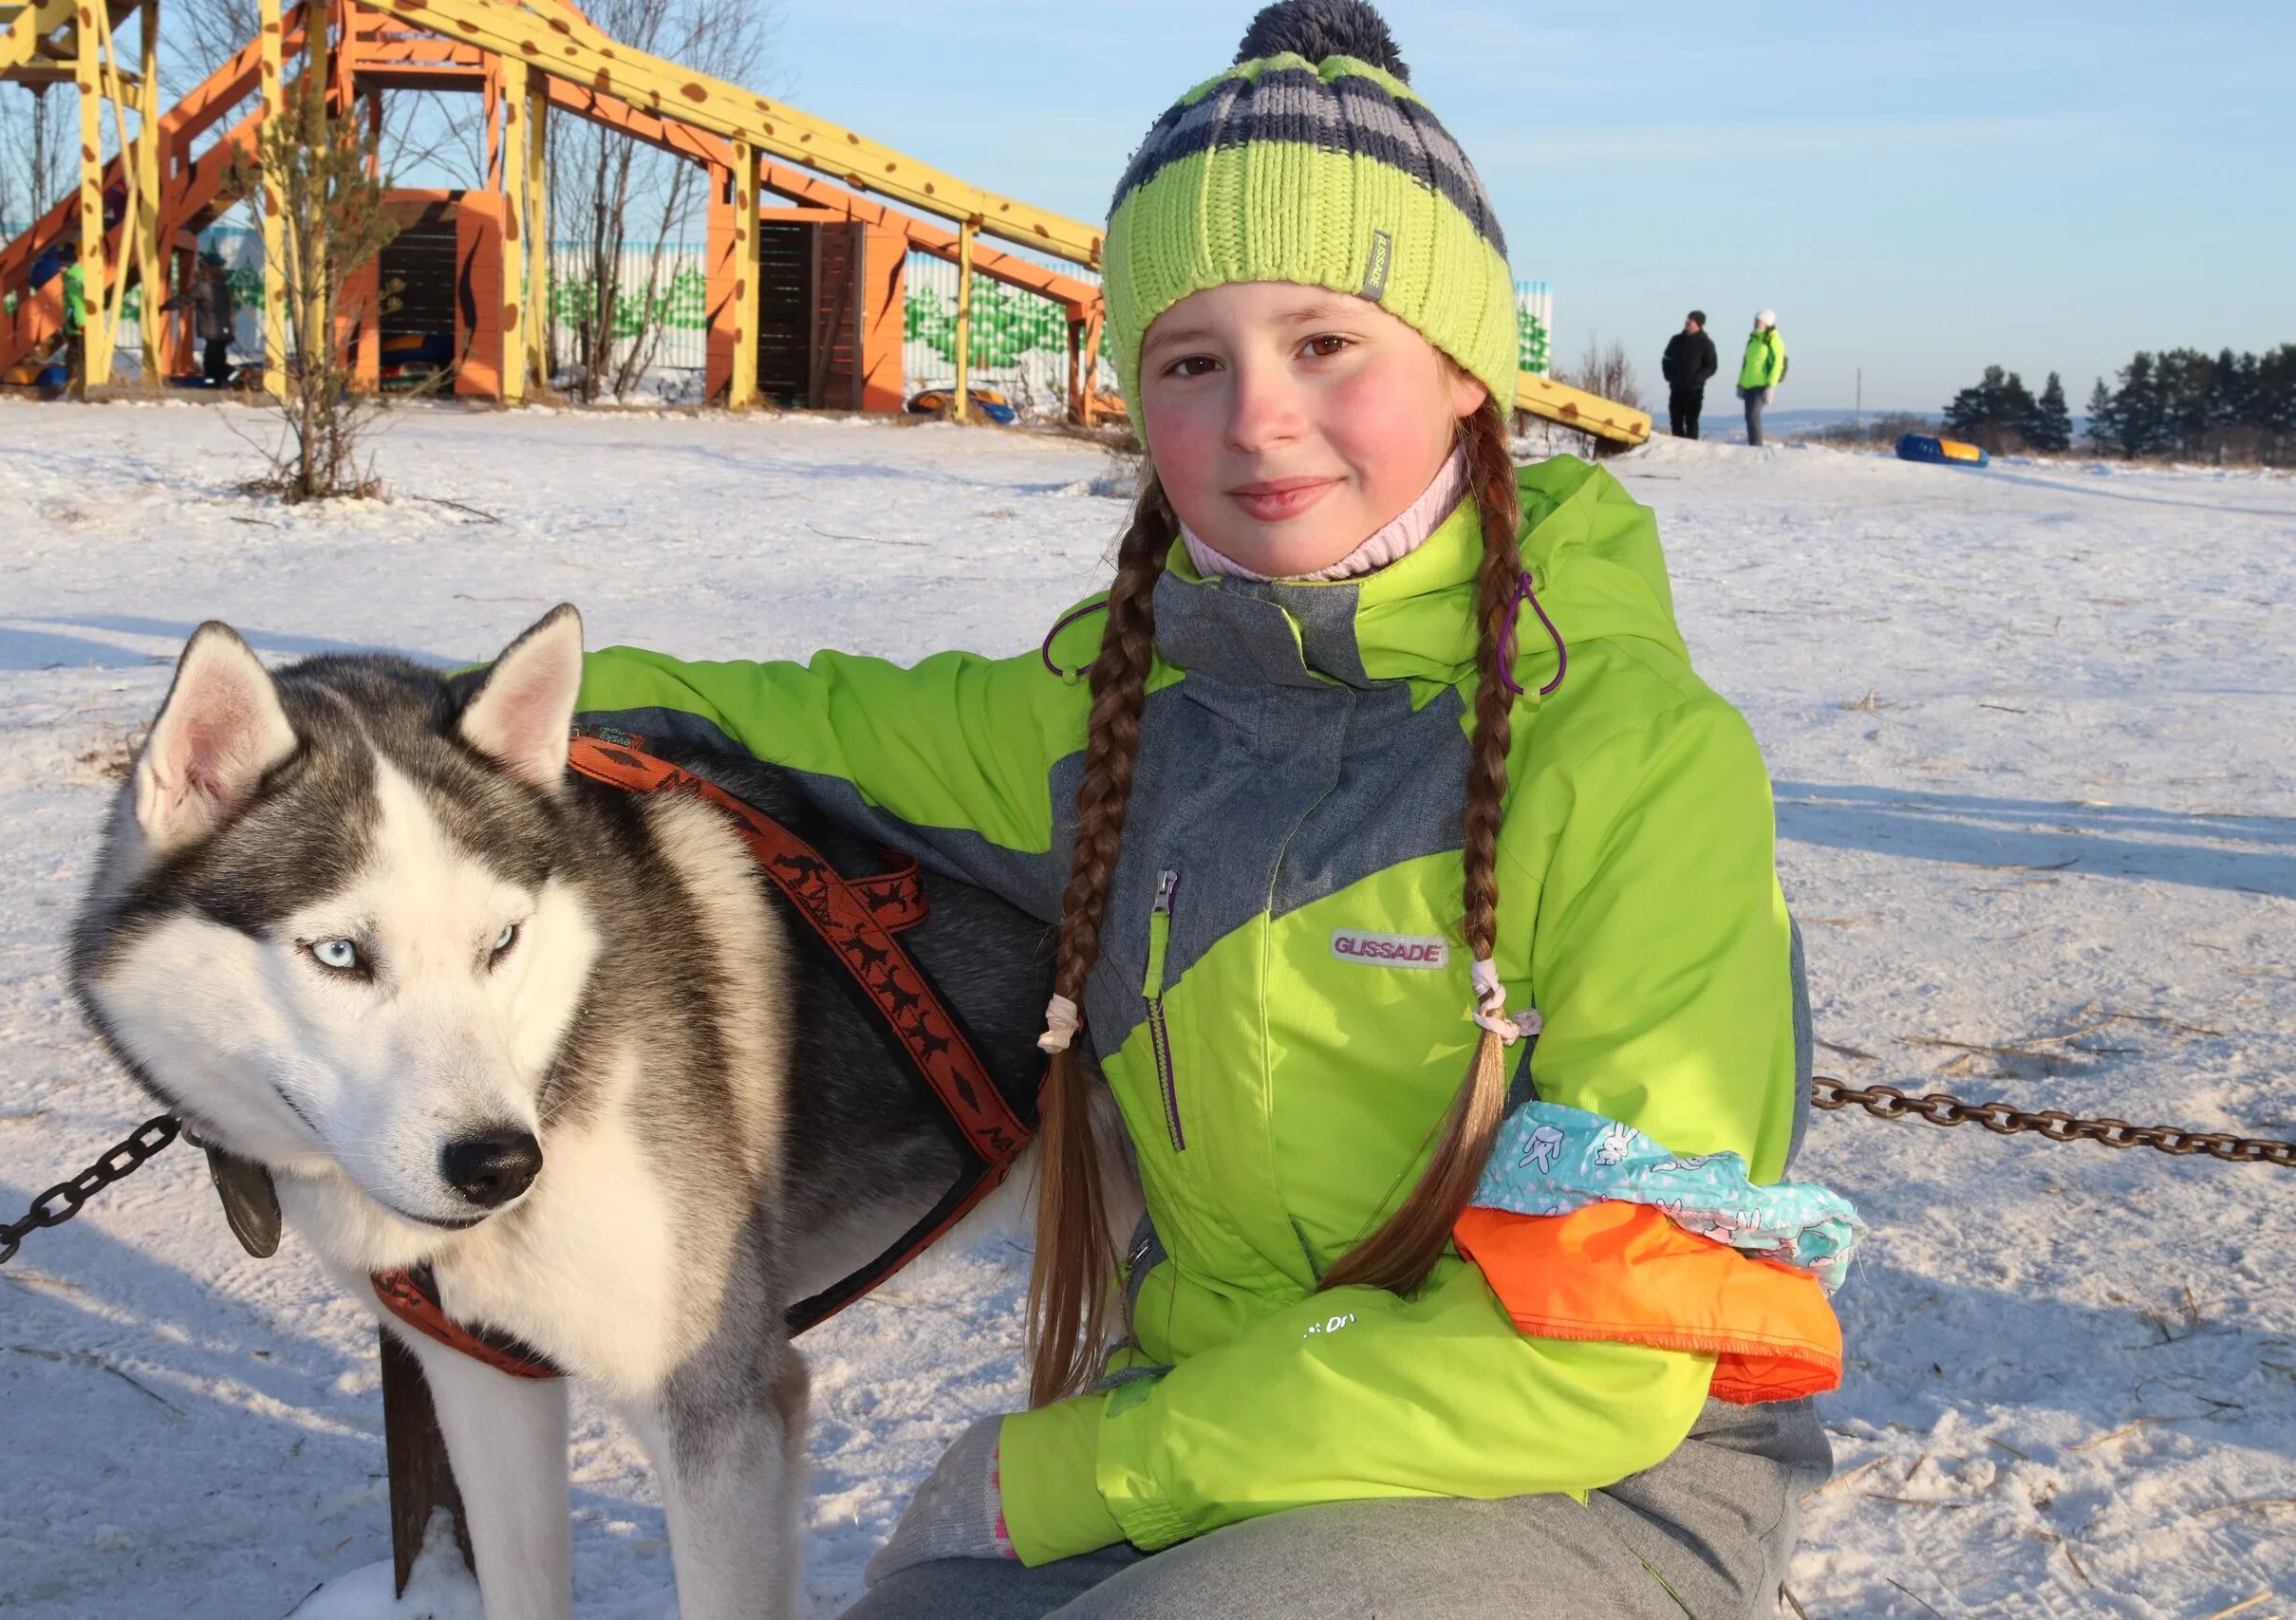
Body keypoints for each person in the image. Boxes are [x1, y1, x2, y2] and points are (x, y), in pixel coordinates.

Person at [572, 3, 1851, 1613]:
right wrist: (452, 714)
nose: (1255, 417)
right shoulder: (1109, 713)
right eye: (1193, 360)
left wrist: (1101, 1467)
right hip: (1213, 1418)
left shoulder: (1636, 762)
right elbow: (809, 715)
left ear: (1462, 368)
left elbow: (1602, 1357)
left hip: (1579, 1463)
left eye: (1327, 343)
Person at [165, 251, 236, 387]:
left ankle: (227, 379)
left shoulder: (204, 286)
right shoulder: (222, 285)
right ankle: (219, 382)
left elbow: (185, 298)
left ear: (206, 268)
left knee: (212, 361)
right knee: (216, 359)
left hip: (214, 331)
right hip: (225, 330)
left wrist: (166, 306)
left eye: (201, 265)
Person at [1660, 309, 1717, 438]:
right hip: (1676, 387)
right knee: (1676, 421)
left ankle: (1692, 452)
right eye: (1687, 319)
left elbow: (1712, 366)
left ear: (1697, 323)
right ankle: (1678, 450)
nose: (1686, 321)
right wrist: (1669, 375)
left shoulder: (1706, 344)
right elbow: (1666, 359)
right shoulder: (1676, 340)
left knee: (1691, 421)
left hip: (1694, 390)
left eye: (1690, 319)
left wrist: (1699, 378)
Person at [1738, 309, 1788, 446]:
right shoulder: (1753, 340)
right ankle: (1752, 445)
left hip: (1762, 384)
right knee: (1748, 417)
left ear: (1766, 322)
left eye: (1758, 320)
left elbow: (1777, 364)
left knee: (1753, 416)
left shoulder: (1773, 339)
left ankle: (1756, 446)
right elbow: (1746, 363)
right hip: (1749, 384)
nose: (1755, 323)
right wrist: (1741, 383)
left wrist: (1771, 386)